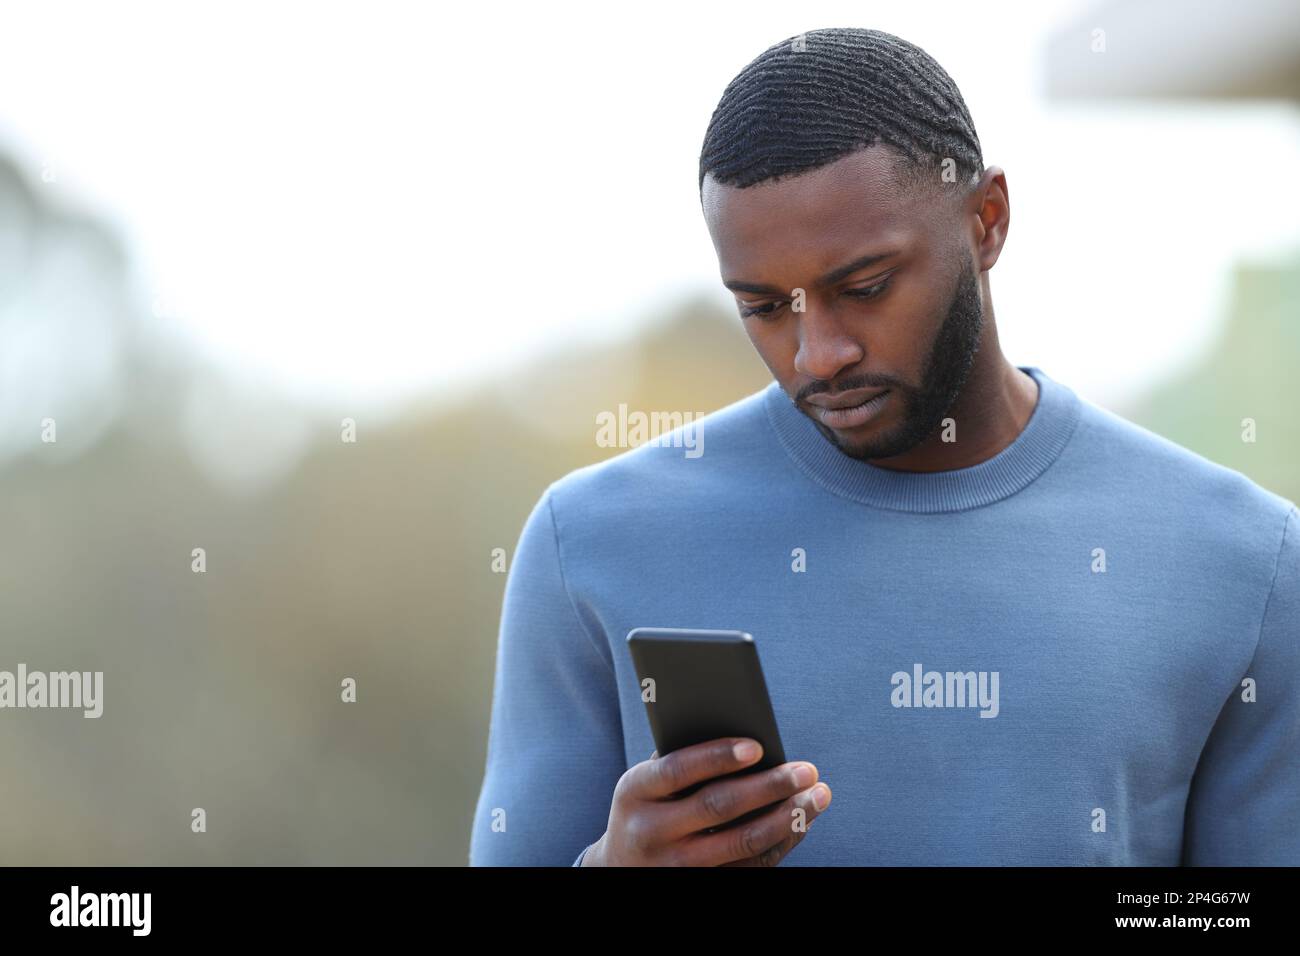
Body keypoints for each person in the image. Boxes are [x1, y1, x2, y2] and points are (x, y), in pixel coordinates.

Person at [469, 27, 1299, 866]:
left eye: (863, 288)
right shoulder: (592, 543)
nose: (817, 354)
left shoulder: (1247, 563)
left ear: (988, 221)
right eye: (764, 306)